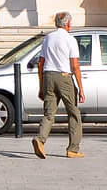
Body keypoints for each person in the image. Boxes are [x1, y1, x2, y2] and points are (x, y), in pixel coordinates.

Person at [29, 11, 84, 160]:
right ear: (68, 24)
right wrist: (80, 88)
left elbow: (40, 63)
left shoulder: (48, 38)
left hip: (48, 76)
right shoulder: (70, 39)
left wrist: (41, 86)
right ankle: (73, 149)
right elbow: (75, 66)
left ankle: (40, 139)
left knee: (49, 114)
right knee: (74, 113)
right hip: (64, 78)